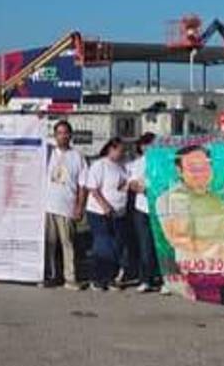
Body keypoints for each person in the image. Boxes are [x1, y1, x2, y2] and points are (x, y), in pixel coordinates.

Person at [154, 145, 224, 274]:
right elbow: (177, 238)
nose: (201, 172)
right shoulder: (169, 199)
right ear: (179, 170)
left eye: (205, 166)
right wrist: (217, 249)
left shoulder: (218, 200)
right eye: (193, 167)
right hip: (195, 273)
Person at [44, 121, 88, 290]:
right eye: (59, 133)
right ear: (54, 135)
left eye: (65, 133)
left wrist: (80, 206)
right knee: (49, 243)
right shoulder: (47, 152)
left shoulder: (78, 157)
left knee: (68, 243)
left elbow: (83, 185)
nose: (62, 136)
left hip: (67, 206)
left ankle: (70, 278)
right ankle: (51, 275)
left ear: (70, 135)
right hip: (48, 205)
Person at [83, 138, 129, 292]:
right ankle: (97, 278)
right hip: (99, 212)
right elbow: (93, 188)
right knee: (103, 245)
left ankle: (110, 277)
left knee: (115, 246)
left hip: (119, 213)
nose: (123, 153)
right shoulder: (100, 165)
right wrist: (105, 205)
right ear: (111, 149)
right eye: (120, 150)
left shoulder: (122, 167)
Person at [127, 132, 160, 292]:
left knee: (160, 245)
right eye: (147, 145)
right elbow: (132, 184)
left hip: (160, 209)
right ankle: (145, 279)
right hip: (143, 209)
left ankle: (161, 279)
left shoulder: (162, 163)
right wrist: (144, 190)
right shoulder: (138, 163)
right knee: (145, 245)